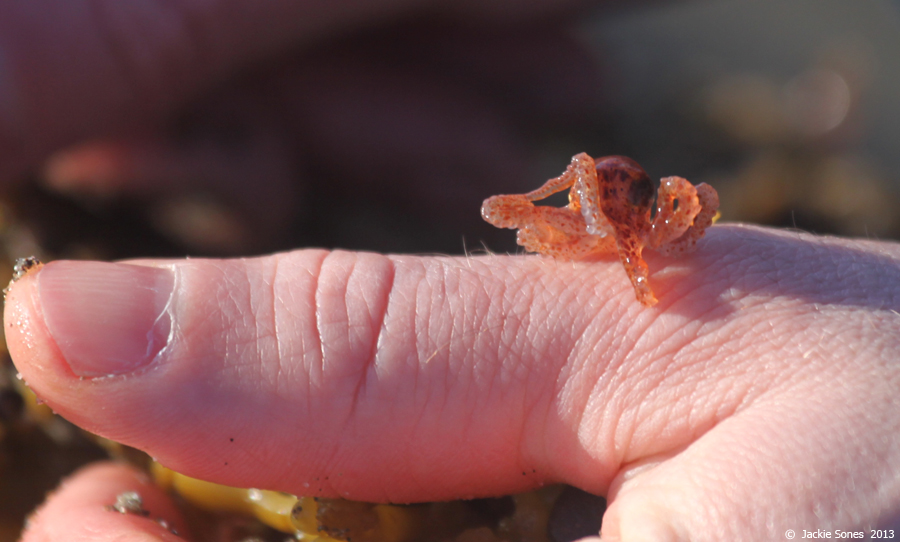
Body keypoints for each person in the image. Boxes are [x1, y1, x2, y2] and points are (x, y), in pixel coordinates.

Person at [2, 2, 899, 541]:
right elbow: (615, 232)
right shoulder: (615, 221)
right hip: (575, 223)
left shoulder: (673, 219)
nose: (693, 214)